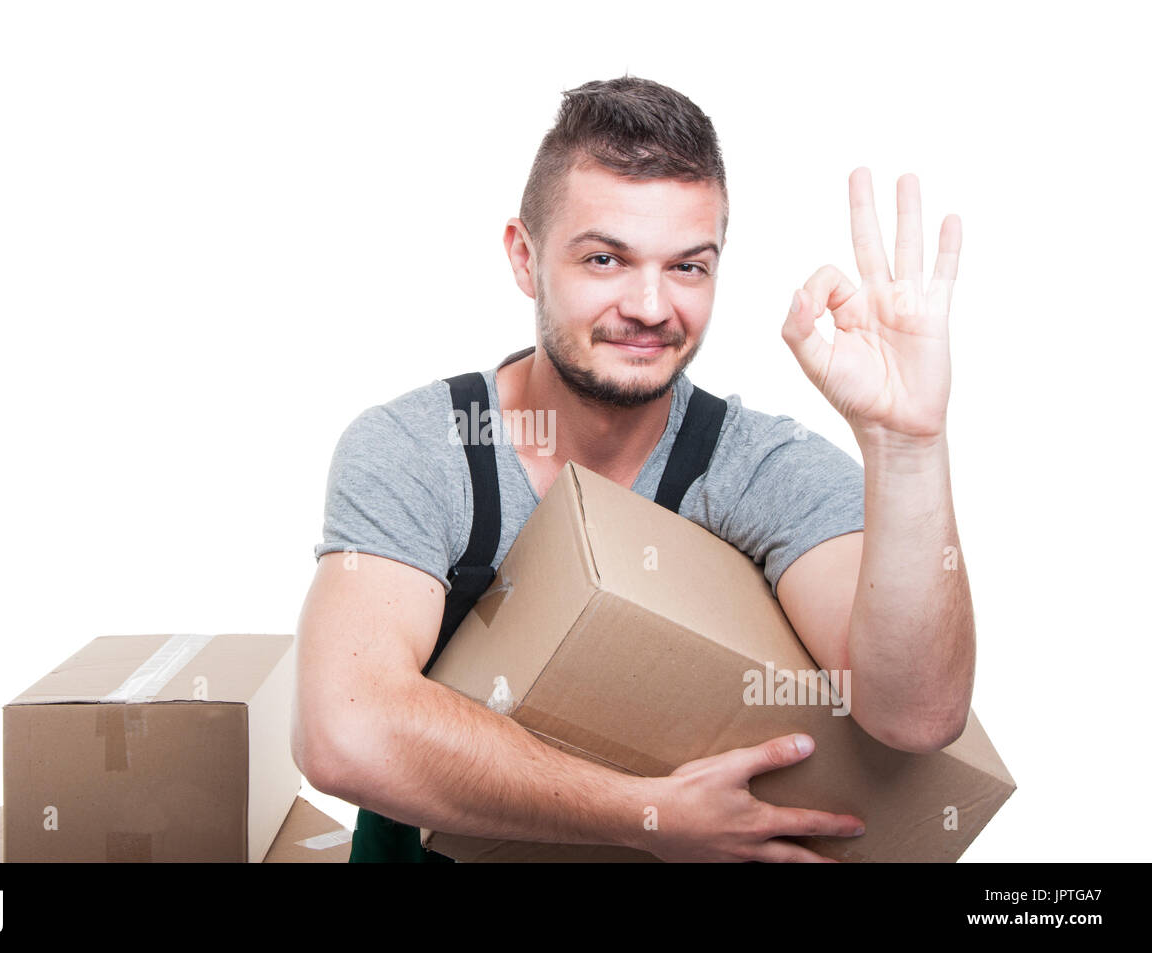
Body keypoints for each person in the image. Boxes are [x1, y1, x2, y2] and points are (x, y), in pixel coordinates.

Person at [293, 75, 975, 863]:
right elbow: (342, 728)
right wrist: (647, 813)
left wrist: (908, 443)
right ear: (525, 257)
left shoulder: (758, 466)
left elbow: (917, 715)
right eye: (606, 258)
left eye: (688, 267)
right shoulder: (420, 449)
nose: (651, 306)